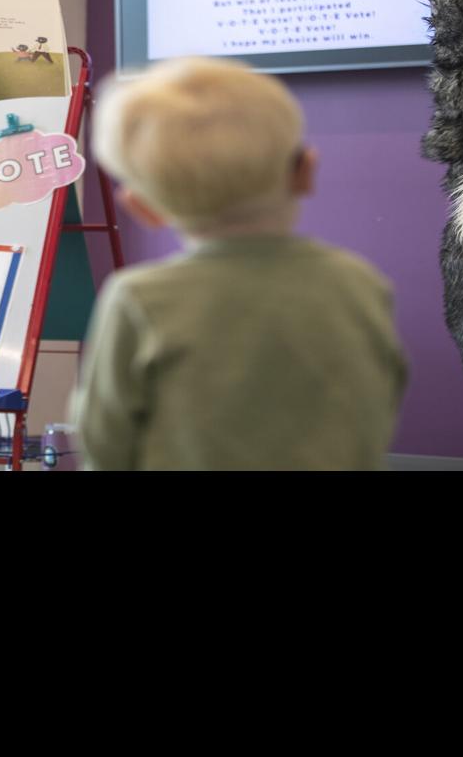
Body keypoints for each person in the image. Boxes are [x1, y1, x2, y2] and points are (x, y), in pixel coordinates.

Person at [69, 58, 409, 470]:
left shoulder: (139, 300)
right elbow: (378, 410)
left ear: (143, 209)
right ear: (305, 171)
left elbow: (105, 446)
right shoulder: (359, 283)